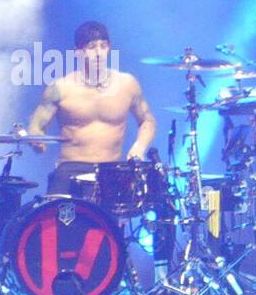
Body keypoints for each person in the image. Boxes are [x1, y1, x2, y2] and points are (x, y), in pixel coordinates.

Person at [25, 20, 157, 195]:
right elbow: (36, 126)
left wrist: (139, 146)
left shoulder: (127, 84)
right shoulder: (60, 87)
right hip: (70, 170)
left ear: (109, 48)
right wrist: (36, 140)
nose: (98, 53)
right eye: (91, 47)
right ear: (78, 52)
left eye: (103, 46)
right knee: (59, 212)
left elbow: (147, 120)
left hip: (111, 172)